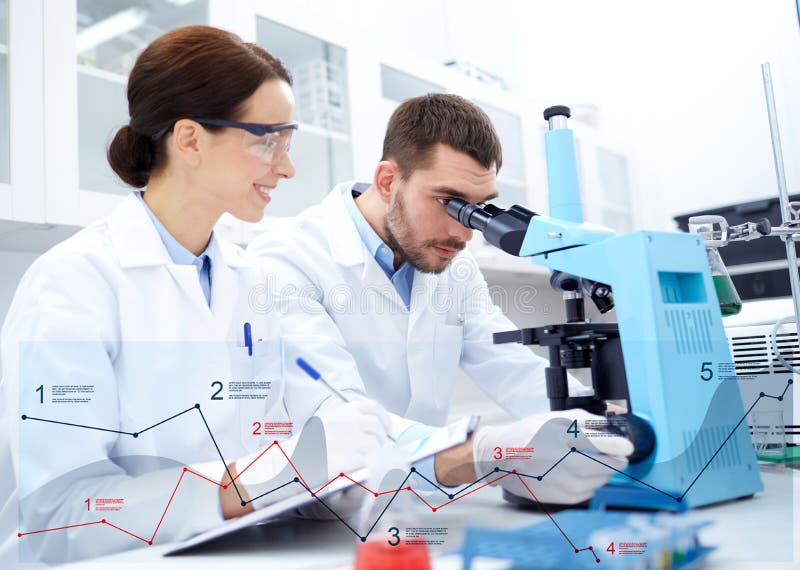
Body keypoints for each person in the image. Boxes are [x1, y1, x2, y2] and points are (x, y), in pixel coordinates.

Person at [0, 26, 389, 565]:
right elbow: (64, 514)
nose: (287, 166)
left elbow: (275, 453)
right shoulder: (71, 285)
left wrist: (334, 478)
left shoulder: (252, 282)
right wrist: (249, 485)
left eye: (288, 142)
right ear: (189, 140)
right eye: (266, 140)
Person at [247, 93, 633, 502]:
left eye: (478, 208)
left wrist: (595, 424)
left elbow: (510, 363)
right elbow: (340, 416)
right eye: (449, 203)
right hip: (317, 516)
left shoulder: (453, 267)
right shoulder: (285, 259)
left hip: (414, 506)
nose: (465, 233)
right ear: (387, 181)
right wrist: (481, 453)